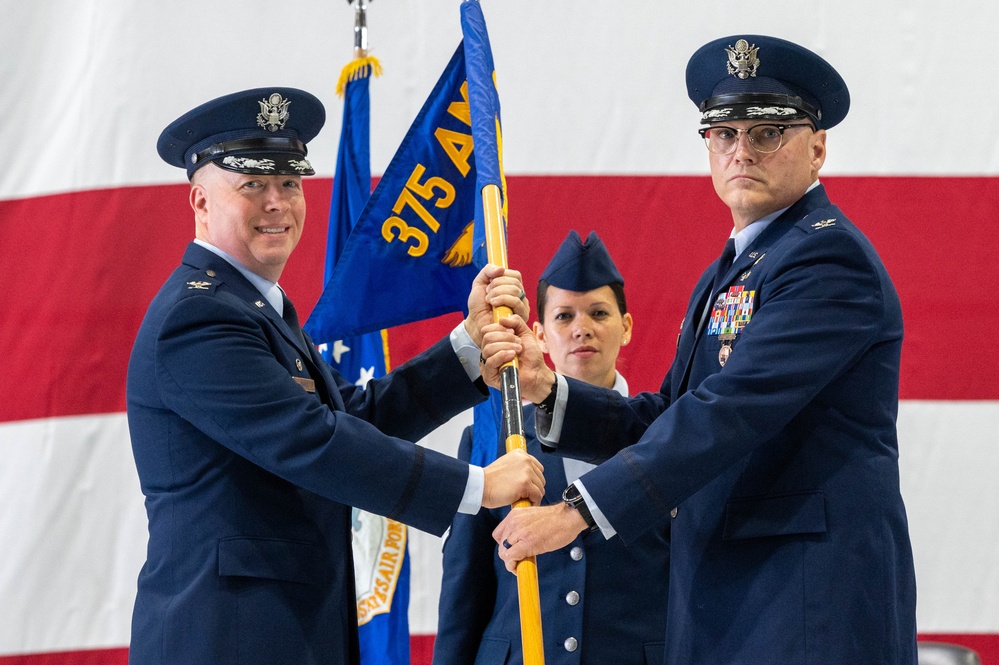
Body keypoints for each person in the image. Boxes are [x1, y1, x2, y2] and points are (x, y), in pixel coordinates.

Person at [485, 35, 917, 664]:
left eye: (766, 133)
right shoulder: (736, 268)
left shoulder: (829, 260)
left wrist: (578, 510)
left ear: (817, 148)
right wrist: (550, 392)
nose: (742, 149)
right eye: (724, 133)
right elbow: (668, 415)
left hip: (804, 603)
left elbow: (726, 411)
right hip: (729, 599)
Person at [126, 87, 545, 665]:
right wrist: (477, 486)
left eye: (290, 183)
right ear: (199, 201)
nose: (277, 202)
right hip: (226, 639)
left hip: (284, 633)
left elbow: (345, 417)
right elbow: (313, 442)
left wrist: (468, 352)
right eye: (253, 185)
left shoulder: (254, 307)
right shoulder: (198, 318)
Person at [433, 231, 669, 665]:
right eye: (564, 316)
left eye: (599, 312)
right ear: (538, 334)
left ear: (627, 326)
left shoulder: (666, 436)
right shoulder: (493, 438)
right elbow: (464, 586)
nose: (582, 328)